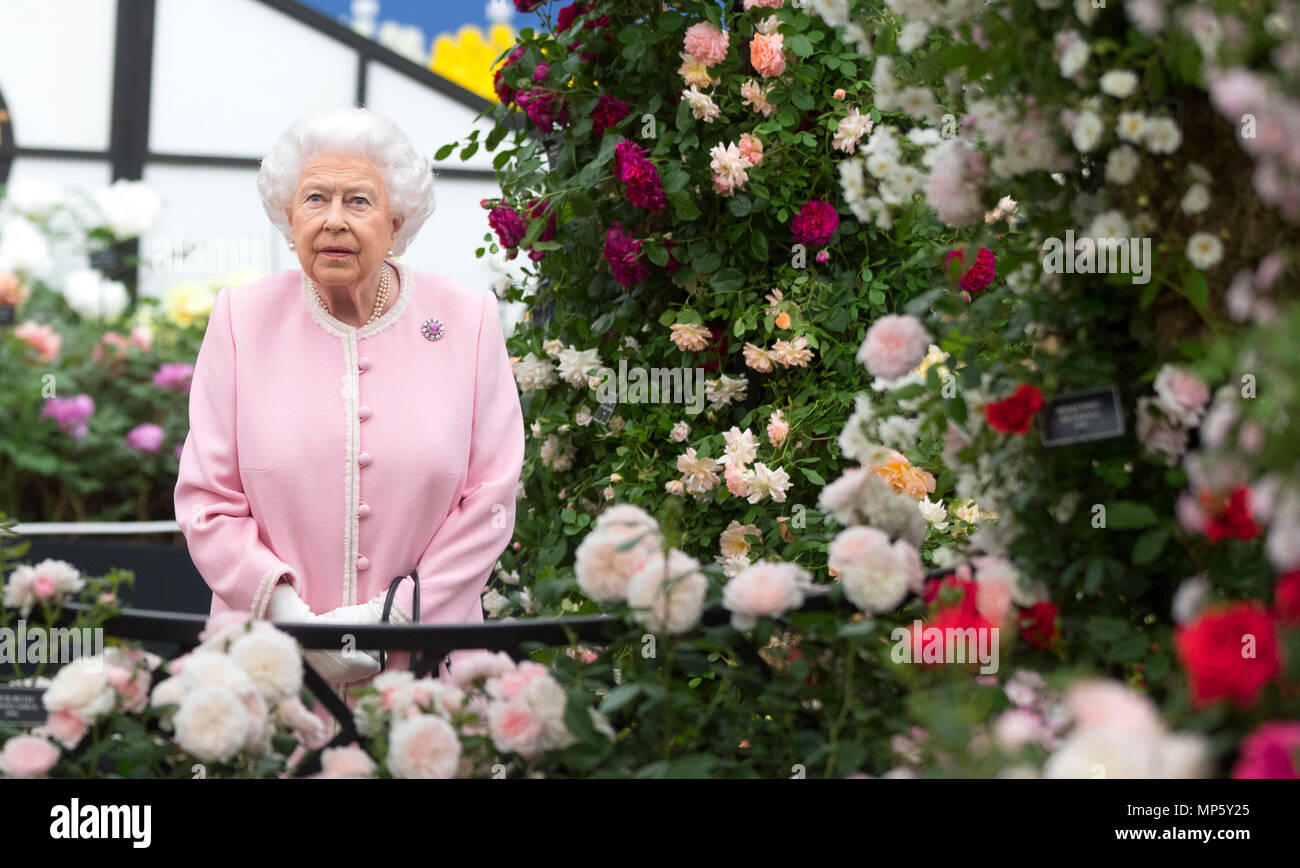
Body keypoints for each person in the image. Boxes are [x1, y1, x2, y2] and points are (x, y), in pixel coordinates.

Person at [174, 105, 525, 726]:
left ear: (396, 221)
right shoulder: (239, 320)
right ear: (288, 220)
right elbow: (207, 500)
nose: (334, 220)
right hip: (267, 670)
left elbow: (490, 501)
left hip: (426, 671)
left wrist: (386, 619)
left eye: (358, 201)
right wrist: (291, 621)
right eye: (315, 199)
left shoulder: (468, 320)